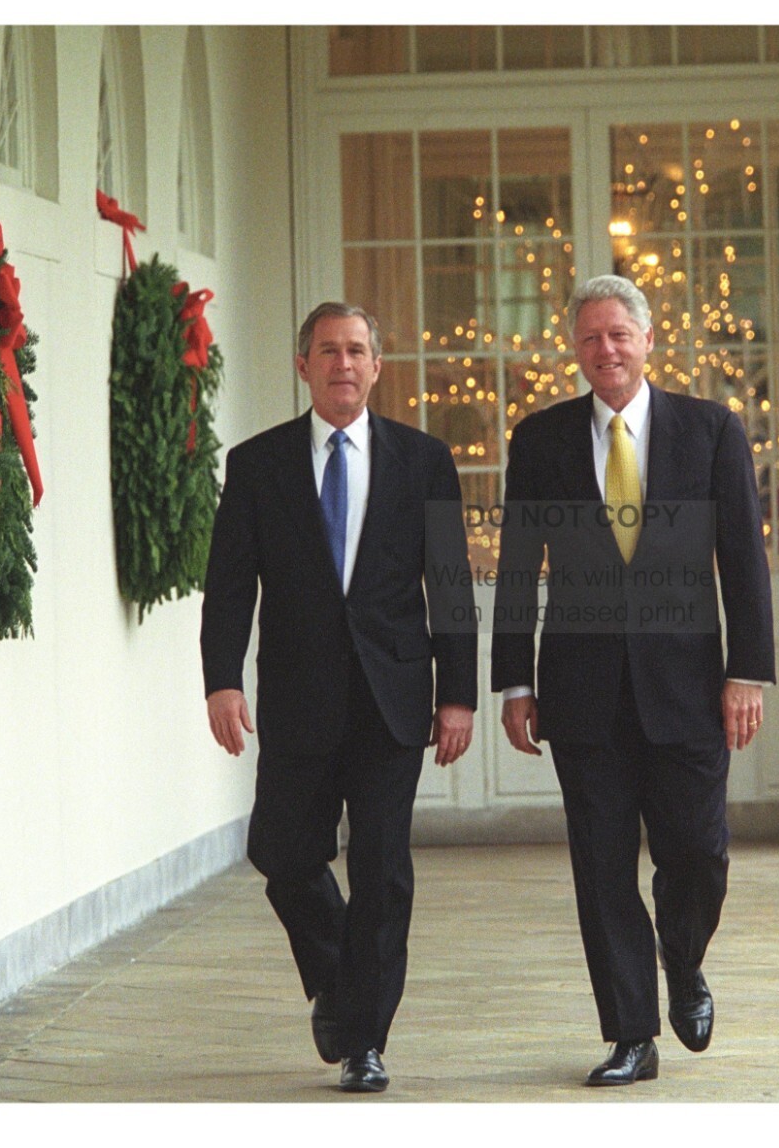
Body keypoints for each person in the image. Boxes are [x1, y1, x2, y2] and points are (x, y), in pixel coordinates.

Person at [491, 274, 775, 1085]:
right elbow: (517, 567)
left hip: (688, 689)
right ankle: (630, 1034)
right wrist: (514, 681)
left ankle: (682, 959)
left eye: (619, 334)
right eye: (589, 338)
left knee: (698, 853)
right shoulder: (539, 440)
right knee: (602, 867)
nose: (605, 350)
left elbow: (742, 562)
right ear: (575, 350)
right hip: (582, 696)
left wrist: (746, 671)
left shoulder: (710, 431)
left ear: (650, 340)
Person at [201, 302, 476, 1094]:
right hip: (297, 697)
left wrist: (456, 695)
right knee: (283, 854)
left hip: (394, 699)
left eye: (357, 351)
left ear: (377, 366)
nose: (344, 364)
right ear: (304, 366)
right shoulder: (256, 465)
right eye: (329, 351)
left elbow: (450, 586)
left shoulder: (423, 461)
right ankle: (337, 980)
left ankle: (365, 1040)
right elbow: (229, 587)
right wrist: (222, 679)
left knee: (384, 870)